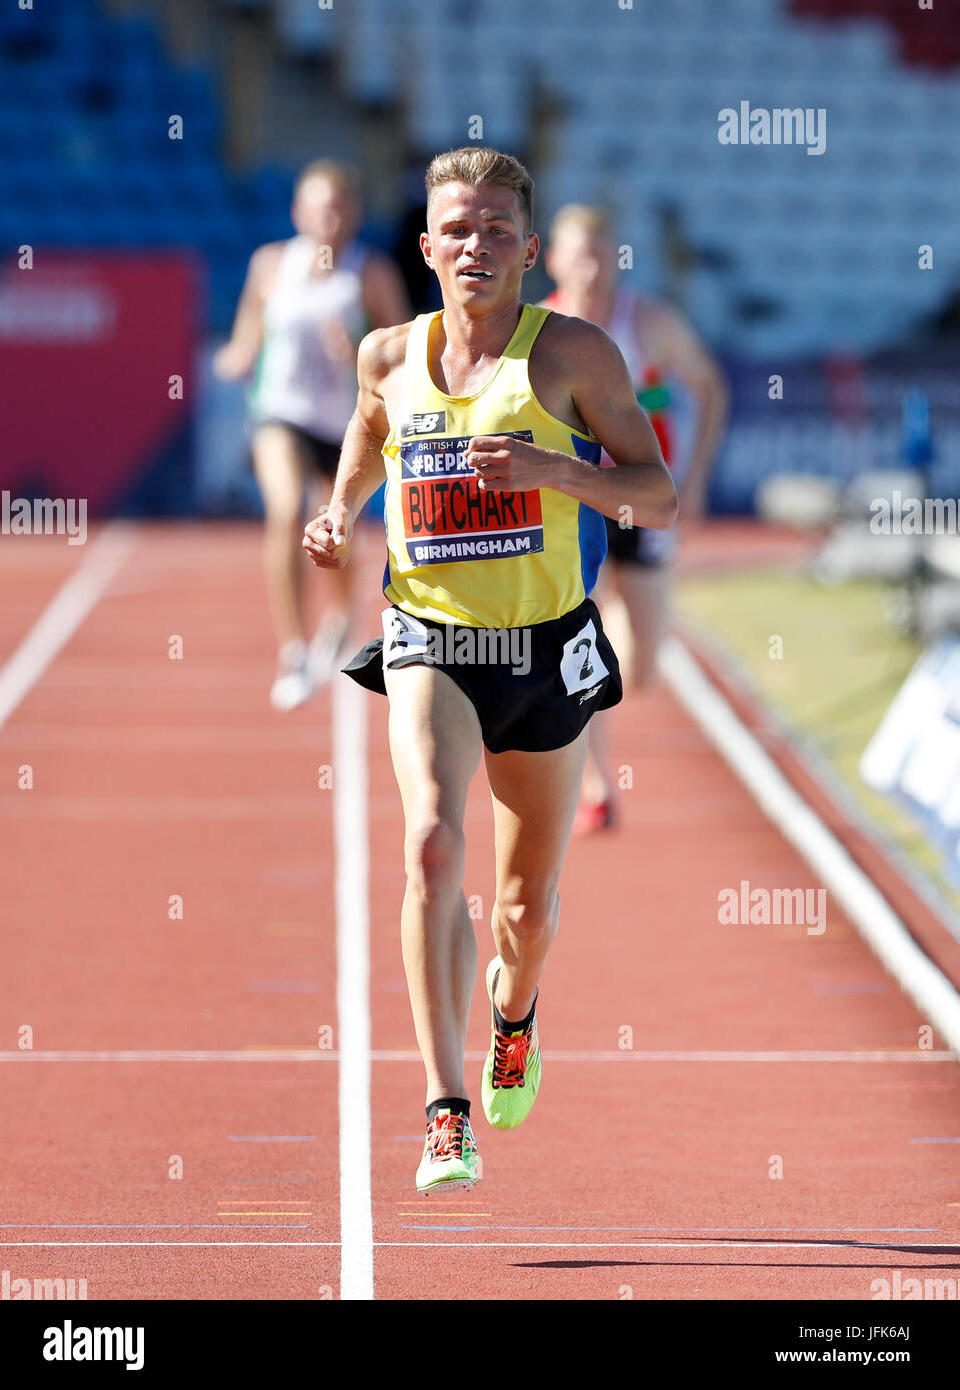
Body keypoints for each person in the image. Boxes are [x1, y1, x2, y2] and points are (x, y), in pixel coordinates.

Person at [303, 148, 677, 1193]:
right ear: (426, 246)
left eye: (497, 231)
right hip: (431, 638)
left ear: (524, 247)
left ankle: (515, 1016)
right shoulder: (387, 353)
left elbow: (659, 494)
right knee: (429, 843)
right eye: (456, 229)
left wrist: (557, 468)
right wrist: (337, 515)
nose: (475, 247)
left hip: (543, 652)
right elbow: (366, 442)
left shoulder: (574, 355)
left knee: (523, 908)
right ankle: (442, 1109)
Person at [542, 205, 729, 831]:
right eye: (578, 255)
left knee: (642, 665)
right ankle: (596, 785)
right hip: (574, 504)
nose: (591, 268)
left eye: (601, 254)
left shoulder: (646, 322)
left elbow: (709, 386)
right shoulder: (540, 328)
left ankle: (615, 643)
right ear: (553, 260)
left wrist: (696, 477)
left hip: (642, 501)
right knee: (582, 646)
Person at [215, 159, 409, 710]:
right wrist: (235, 358)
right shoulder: (270, 265)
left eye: (341, 206)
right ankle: (293, 649)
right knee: (285, 509)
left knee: (335, 527)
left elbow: (400, 356)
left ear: (355, 214)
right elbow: (248, 335)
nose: (330, 216)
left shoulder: (370, 272)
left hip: (345, 423)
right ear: (299, 211)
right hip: (281, 413)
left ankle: (340, 620)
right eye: (319, 205)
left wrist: (353, 356)